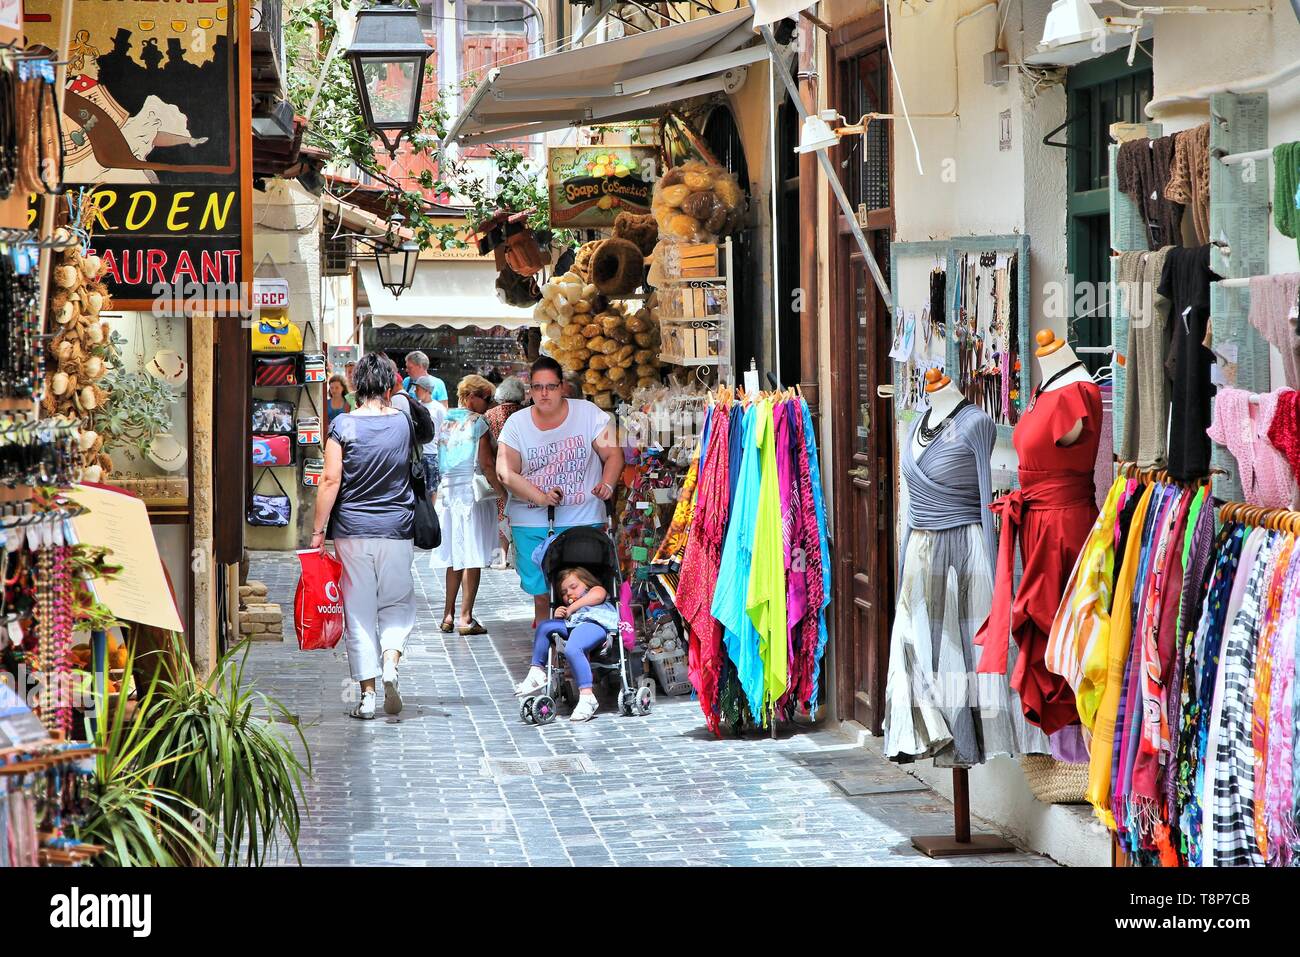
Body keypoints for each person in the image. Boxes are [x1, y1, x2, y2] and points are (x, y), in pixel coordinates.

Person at [310, 352, 416, 720]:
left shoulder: (342, 426)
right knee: (397, 602)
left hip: (352, 530)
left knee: (358, 609)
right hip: (397, 527)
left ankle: (367, 696)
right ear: (389, 384)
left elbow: (330, 480)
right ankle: (391, 662)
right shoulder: (403, 423)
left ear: (355, 385)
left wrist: (317, 531)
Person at [496, 355, 624, 627]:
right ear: (529, 389)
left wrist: (608, 484)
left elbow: (614, 454)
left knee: (584, 593)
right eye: (537, 387)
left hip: (583, 519)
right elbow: (505, 471)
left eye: (551, 386)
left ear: (563, 387)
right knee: (543, 596)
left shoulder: (590, 414)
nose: (544, 393)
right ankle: (545, 653)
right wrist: (540, 497)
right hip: (532, 521)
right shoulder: (516, 424)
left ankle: (580, 648)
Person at [432, 374, 505, 636]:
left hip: (449, 492)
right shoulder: (478, 423)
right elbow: (486, 464)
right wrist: (503, 494)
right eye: (487, 399)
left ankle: (448, 614)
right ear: (472, 397)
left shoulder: (447, 420)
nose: (489, 404)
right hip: (471, 494)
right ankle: (466, 617)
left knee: (454, 555)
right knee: (472, 556)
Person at [514, 566, 618, 722]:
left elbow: (597, 596)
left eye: (573, 587)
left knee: (573, 648)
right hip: (574, 625)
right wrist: (559, 615)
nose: (569, 593)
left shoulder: (595, 590)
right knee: (544, 626)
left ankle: (587, 695)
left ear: (587, 583)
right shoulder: (570, 608)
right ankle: (537, 671)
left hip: (594, 624)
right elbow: (565, 618)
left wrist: (571, 608)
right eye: (563, 592)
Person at [484, 376, 527, 569]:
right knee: (522, 508)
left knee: (502, 510)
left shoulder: (490, 414)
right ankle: (521, 553)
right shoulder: (526, 413)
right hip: (524, 467)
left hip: (498, 467)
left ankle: (501, 556)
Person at [414, 374, 447, 492]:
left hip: (433, 453)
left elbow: (446, 430)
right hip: (417, 453)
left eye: (418, 388)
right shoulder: (416, 405)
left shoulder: (438, 408)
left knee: (432, 488)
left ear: (427, 390)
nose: (415, 391)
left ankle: (431, 510)